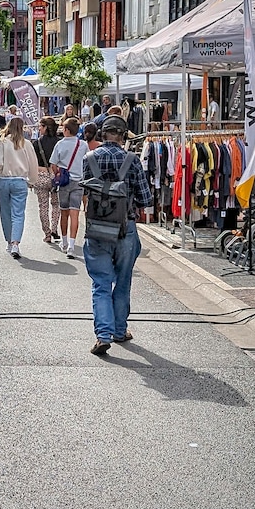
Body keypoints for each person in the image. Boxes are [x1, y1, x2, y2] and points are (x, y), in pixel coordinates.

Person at [83, 124, 153, 356]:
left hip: (97, 227)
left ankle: (103, 335)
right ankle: (120, 330)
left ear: (103, 135)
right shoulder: (132, 160)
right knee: (123, 281)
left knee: (101, 283)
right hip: (126, 228)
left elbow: (86, 191)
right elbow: (145, 198)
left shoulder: (89, 158)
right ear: (123, 136)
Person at [0, 118, 39, 259]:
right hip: (20, 180)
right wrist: (32, 180)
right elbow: (33, 164)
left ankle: (9, 241)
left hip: (4, 180)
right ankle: (16, 242)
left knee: (5, 212)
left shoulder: (2, 142)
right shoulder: (27, 144)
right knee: (18, 213)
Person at [50, 117, 86, 259]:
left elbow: (53, 164)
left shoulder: (60, 144)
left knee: (64, 212)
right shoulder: (82, 145)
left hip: (64, 182)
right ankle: (72, 245)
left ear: (66, 130)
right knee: (75, 213)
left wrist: (58, 172)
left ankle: (64, 242)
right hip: (79, 182)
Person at [31, 117, 62, 244]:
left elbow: (32, 161)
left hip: (41, 174)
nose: (39, 128)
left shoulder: (37, 143)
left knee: (43, 206)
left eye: (40, 126)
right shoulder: (59, 142)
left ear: (45, 127)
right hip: (56, 175)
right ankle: (55, 228)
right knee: (56, 204)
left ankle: (47, 233)